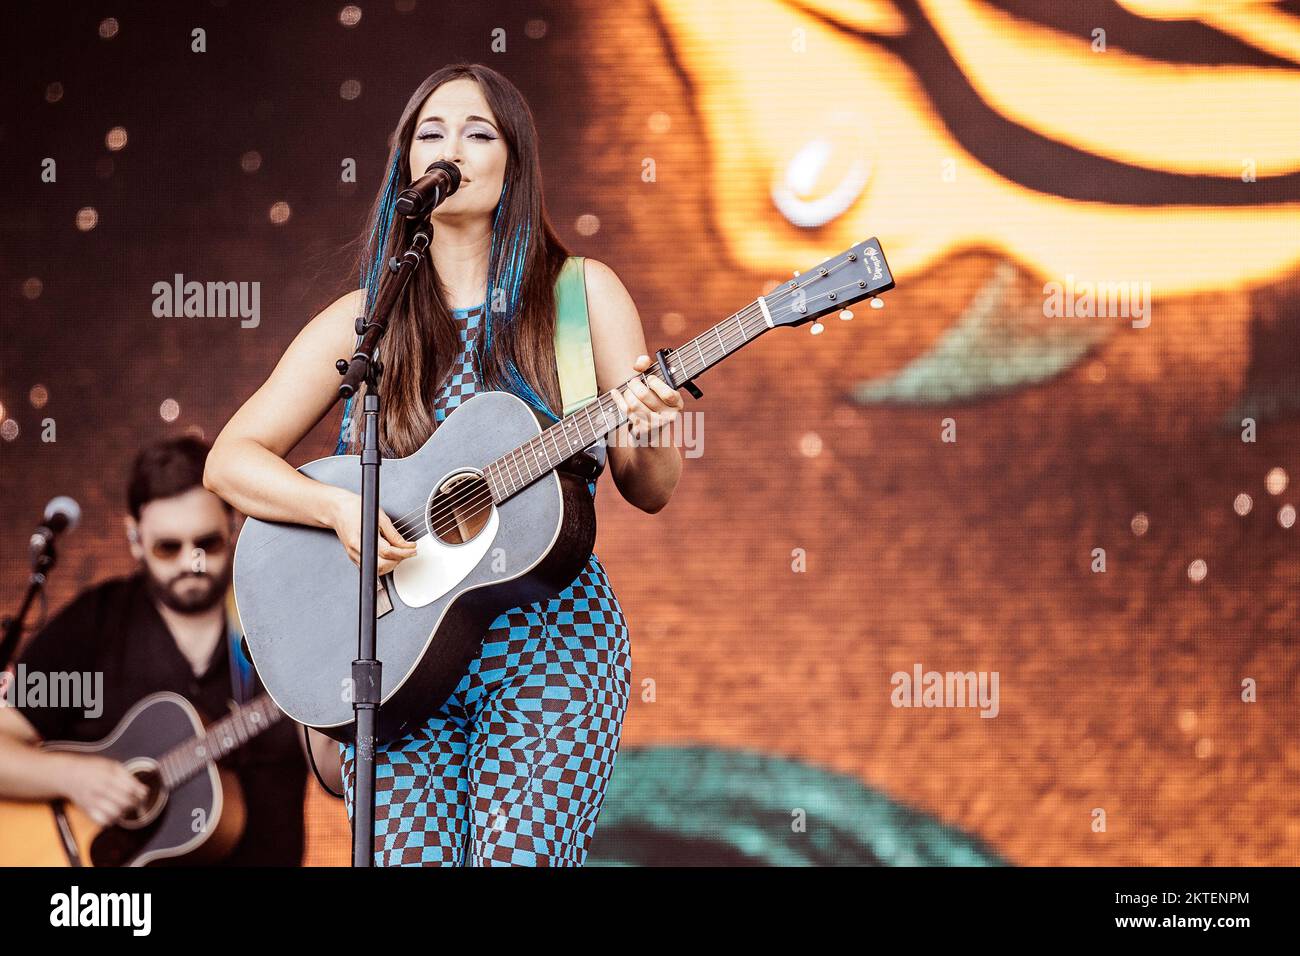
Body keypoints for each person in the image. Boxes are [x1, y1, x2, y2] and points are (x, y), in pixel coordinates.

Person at [204, 62, 684, 866]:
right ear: (406, 167)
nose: (450, 147)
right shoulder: (366, 319)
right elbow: (230, 461)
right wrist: (336, 510)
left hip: (548, 652)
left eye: (477, 131)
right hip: (397, 664)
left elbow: (650, 487)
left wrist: (653, 426)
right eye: (431, 133)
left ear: (514, 163)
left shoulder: (581, 296)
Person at [0, 436, 308, 866]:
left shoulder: (280, 626)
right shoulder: (95, 625)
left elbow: (336, 772)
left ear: (232, 528)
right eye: (169, 547)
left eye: (207, 543)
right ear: (134, 538)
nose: (191, 562)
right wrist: (72, 777)